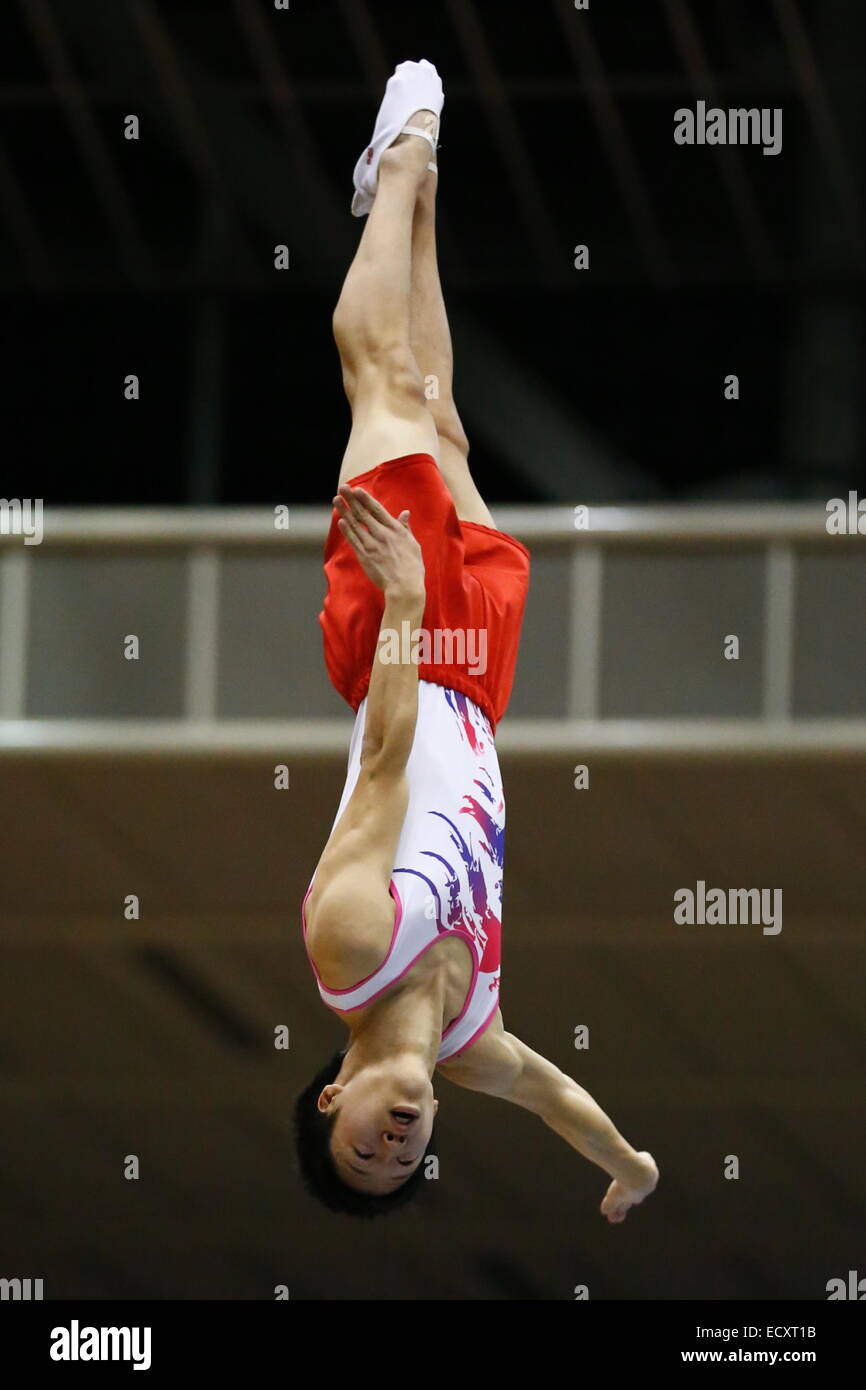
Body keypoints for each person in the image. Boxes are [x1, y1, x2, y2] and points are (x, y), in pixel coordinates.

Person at [294, 60, 658, 1222]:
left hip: (397, 644)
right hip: (478, 676)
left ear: (330, 1097)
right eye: (404, 1165)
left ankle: (397, 157)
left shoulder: (347, 945)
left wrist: (402, 600)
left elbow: (390, 761)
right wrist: (624, 1164)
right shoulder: (473, 1033)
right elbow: (554, 1095)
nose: (394, 1146)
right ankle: (425, 185)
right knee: (443, 406)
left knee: (380, 380)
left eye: (363, 1152)